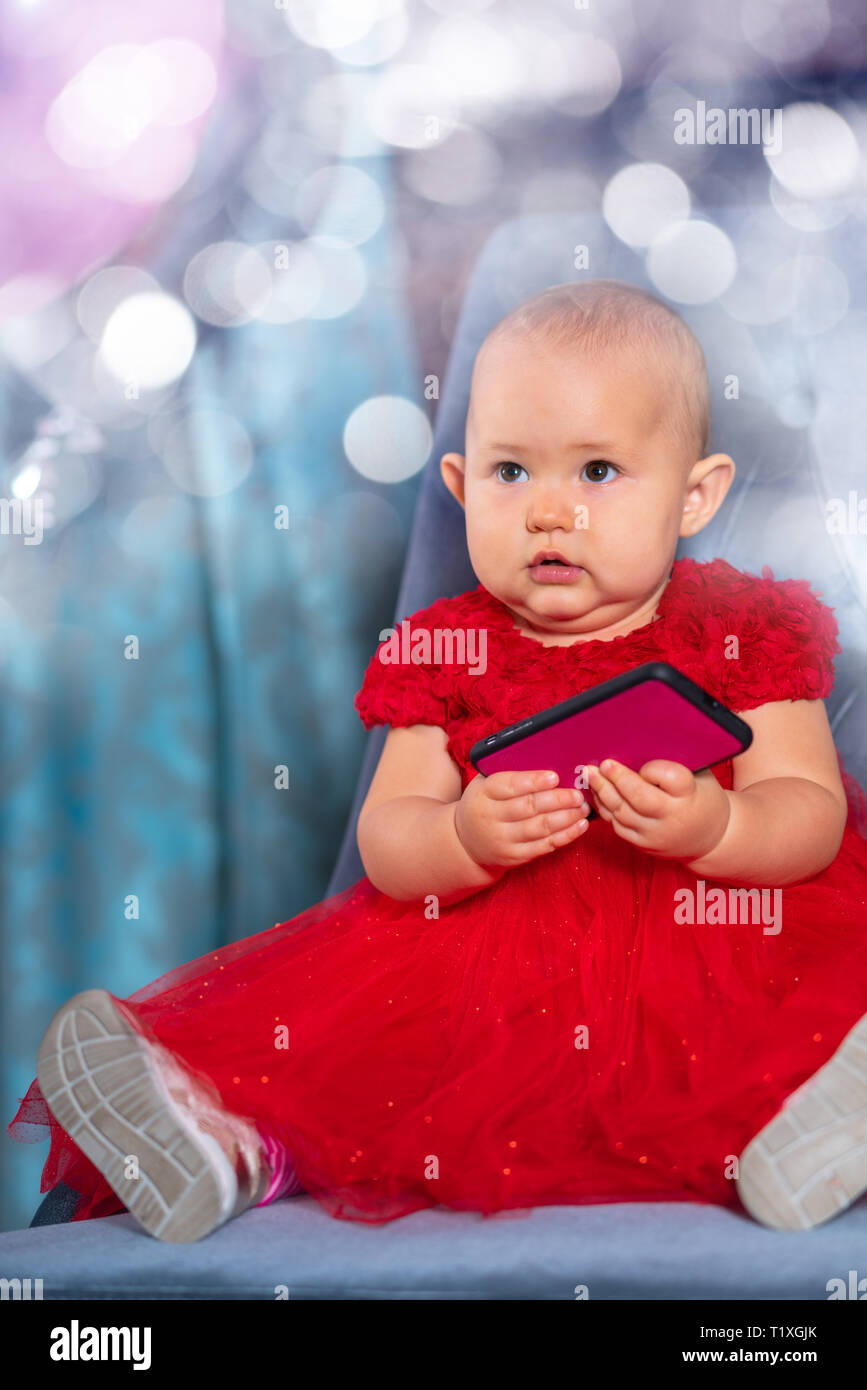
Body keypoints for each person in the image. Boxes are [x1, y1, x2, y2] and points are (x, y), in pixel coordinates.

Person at [9, 279, 867, 1242]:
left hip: (712, 937)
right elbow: (393, 838)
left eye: (596, 472)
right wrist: (462, 833)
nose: (549, 512)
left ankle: (811, 1129)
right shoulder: (442, 645)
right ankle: (225, 1143)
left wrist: (721, 825)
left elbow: (809, 809)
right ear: (458, 486)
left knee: (761, 1038)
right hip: (481, 971)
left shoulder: (743, 627)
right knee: (352, 1076)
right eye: (511, 473)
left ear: (692, 495)